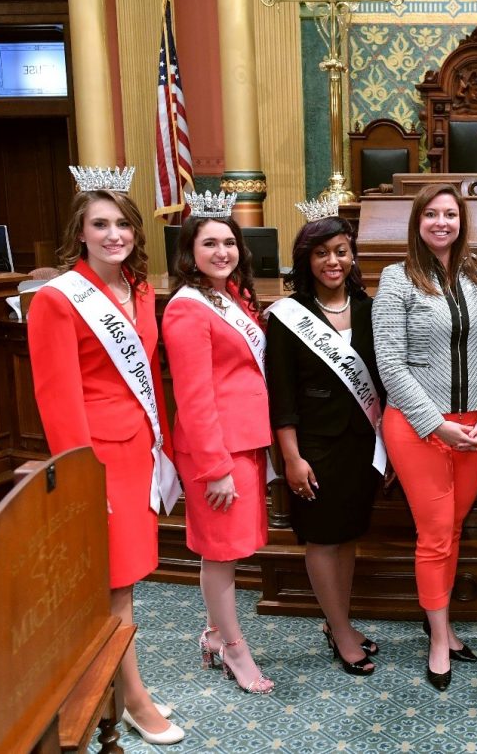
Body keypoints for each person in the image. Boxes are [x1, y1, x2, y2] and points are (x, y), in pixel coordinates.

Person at [28, 166, 184, 745]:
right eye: (101, 224)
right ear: (81, 233)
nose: (113, 234)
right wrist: (81, 478)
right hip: (99, 461)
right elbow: (58, 401)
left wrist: (163, 448)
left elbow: (150, 380)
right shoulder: (58, 300)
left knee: (128, 579)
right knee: (116, 584)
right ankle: (135, 701)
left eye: (122, 223)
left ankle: (117, 688)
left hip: (140, 451)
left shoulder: (141, 290)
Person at [372, 183, 477, 691]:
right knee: (433, 534)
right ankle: (437, 637)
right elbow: (390, 363)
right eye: (432, 214)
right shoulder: (396, 278)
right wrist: (437, 423)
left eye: (450, 214)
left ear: (462, 221)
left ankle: (445, 624)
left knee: (451, 530)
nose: (442, 222)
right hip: (418, 425)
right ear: (417, 221)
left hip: (474, 427)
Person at [266, 198, 385, 677]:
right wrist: (291, 457)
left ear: (352, 256)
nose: (333, 261)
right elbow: (282, 395)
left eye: (341, 251)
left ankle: (342, 622)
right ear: (306, 260)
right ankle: (338, 630)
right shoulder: (286, 315)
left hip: (362, 443)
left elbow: (382, 380)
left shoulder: (370, 309)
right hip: (313, 447)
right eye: (321, 253)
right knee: (321, 538)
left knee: (349, 534)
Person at [161, 191, 273, 695]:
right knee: (221, 552)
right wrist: (215, 467)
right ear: (190, 252)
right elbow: (194, 395)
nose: (222, 252)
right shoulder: (187, 309)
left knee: (225, 550)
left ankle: (213, 635)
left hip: (245, 441)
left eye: (229, 242)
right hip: (218, 449)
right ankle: (233, 649)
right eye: (210, 244)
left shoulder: (231, 297)